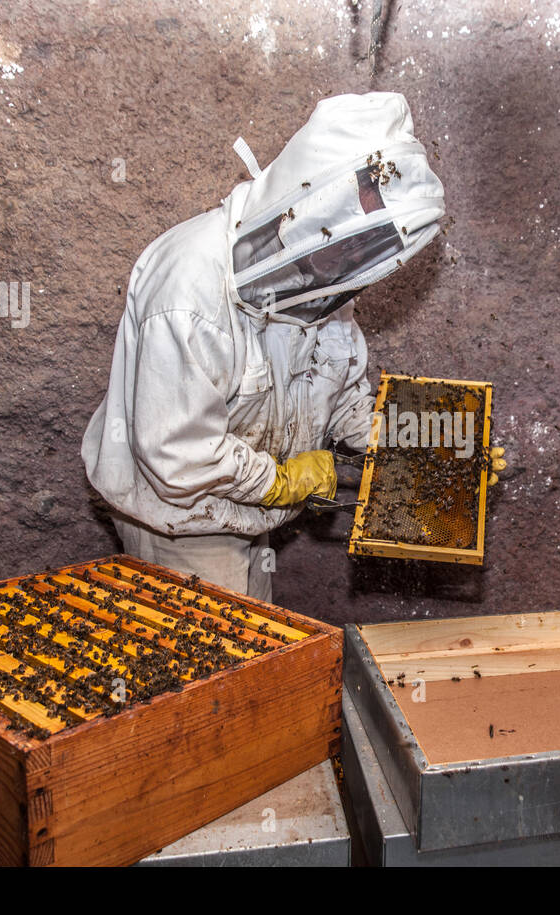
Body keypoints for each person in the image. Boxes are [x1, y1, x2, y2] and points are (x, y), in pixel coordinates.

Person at [82, 92, 503, 600]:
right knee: (225, 668)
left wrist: (428, 447)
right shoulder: (188, 292)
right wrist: (280, 480)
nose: (355, 254)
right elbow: (178, 455)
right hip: (178, 525)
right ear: (310, 204)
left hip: (244, 514)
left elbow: (343, 395)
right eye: (348, 234)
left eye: (366, 239)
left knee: (255, 655)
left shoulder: (322, 278)